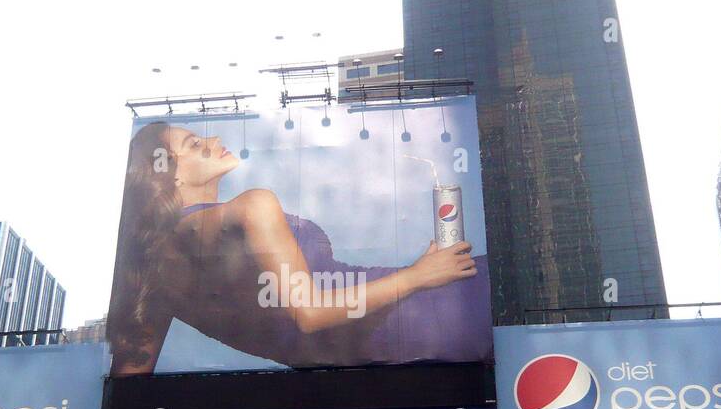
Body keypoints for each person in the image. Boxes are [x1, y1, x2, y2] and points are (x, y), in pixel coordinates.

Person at [108, 123, 492, 375]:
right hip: (428, 312)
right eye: (195, 144)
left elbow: (128, 392)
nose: (214, 141)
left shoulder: (153, 273)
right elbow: (308, 314)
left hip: (392, 347)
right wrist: (415, 276)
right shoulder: (251, 206)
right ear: (168, 172)